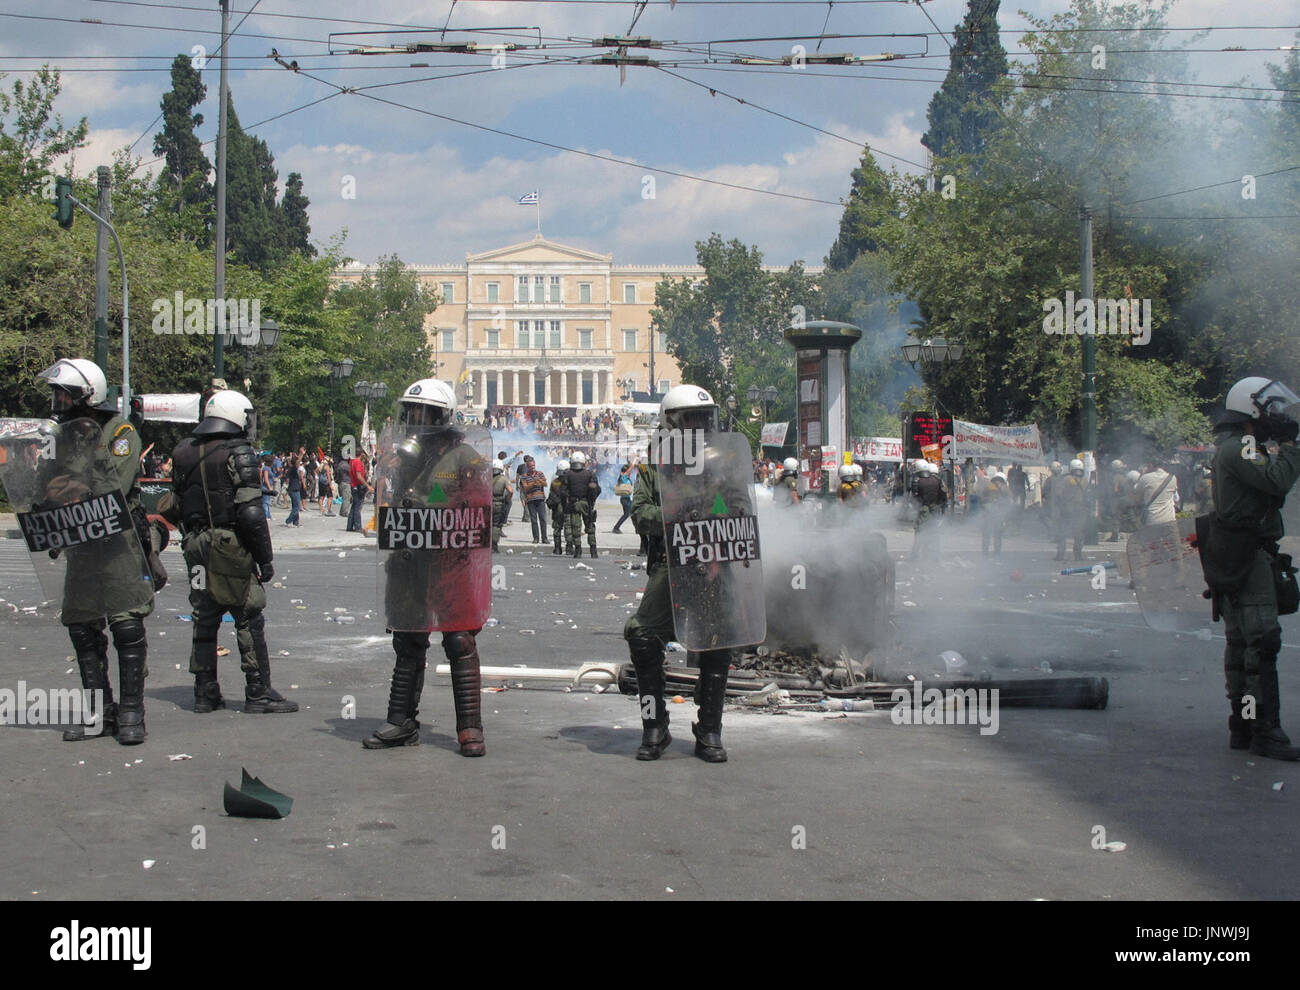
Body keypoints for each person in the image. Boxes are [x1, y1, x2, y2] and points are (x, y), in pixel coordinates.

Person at [31, 359, 155, 744]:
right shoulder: (61, 438)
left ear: (89, 393)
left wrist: (69, 486)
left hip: (117, 544)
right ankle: (100, 712)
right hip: (79, 545)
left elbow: (115, 483)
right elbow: (43, 485)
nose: (58, 400)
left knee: (126, 625)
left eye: (64, 392)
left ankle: (132, 712)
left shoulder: (119, 431)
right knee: (83, 628)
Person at [364, 378, 489, 756]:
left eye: (425, 413)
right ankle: (401, 721)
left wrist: (440, 513)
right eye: (411, 411)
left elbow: (480, 510)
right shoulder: (404, 455)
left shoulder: (465, 457)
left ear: (443, 416)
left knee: (459, 640)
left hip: (450, 560)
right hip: (411, 557)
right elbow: (391, 497)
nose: (417, 419)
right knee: (408, 637)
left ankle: (470, 729)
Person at [623, 384, 742, 763]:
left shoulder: (722, 464)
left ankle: (709, 729)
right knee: (642, 635)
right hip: (672, 563)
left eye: (704, 419)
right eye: (692, 419)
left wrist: (720, 515)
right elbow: (640, 513)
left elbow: (741, 508)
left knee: (719, 641)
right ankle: (654, 725)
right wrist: (672, 518)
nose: (700, 427)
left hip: (713, 562)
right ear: (673, 424)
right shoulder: (656, 465)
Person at [166, 390, 297, 716]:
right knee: (247, 614)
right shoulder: (238, 452)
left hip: (195, 544)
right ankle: (257, 689)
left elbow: (176, 504)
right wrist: (264, 558)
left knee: (204, 616)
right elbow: (251, 514)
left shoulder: (183, 451)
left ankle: (204, 690)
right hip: (230, 544)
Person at [1205, 377, 1300, 761]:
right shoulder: (1240, 448)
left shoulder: (1236, 446)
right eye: (1271, 410)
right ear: (1252, 409)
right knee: (1261, 642)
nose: (1275, 417)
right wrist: (1291, 447)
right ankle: (1265, 731)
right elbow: (1278, 478)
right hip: (1247, 553)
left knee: (1243, 643)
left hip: (1235, 552)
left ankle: (1243, 726)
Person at [563, 450, 601, 558]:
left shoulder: (568, 474)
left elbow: (563, 491)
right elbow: (597, 489)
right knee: (590, 527)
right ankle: (593, 551)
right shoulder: (590, 474)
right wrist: (592, 501)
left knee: (576, 528)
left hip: (574, 504)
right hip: (586, 503)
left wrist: (566, 504)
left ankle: (578, 550)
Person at [1054, 459, 1090, 561]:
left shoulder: (1066, 479)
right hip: (1081, 510)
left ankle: (1060, 554)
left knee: (1062, 532)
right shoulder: (1085, 481)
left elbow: (1059, 493)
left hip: (1067, 510)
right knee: (1079, 534)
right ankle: (1078, 555)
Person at [910, 460, 947, 559]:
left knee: (919, 531)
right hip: (935, 508)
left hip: (923, 508)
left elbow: (915, 498)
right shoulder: (937, 480)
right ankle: (936, 554)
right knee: (934, 531)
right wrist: (941, 506)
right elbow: (943, 495)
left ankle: (915, 555)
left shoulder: (917, 481)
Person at [520, 456, 549, 544]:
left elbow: (545, 483)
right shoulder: (524, 476)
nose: (533, 467)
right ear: (527, 466)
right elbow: (525, 487)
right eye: (531, 466)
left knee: (543, 519)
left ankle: (544, 538)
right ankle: (536, 538)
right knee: (534, 520)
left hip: (540, 499)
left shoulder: (540, 473)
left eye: (533, 465)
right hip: (531, 500)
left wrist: (538, 481)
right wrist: (534, 483)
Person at [981, 472, 1011, 555]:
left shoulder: (1001, 488)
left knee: (993, 535)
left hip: (995, 515)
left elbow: (1008, 501)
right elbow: (983, 500)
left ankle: (990, 553)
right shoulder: (990, 487)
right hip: (992, 515)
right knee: (992, 535)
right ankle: (991, 553)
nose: (997, 482)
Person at [547, 458, 569, 555]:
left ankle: (557, 548)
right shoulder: (569, 482)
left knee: (557, 528)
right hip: (566, 507)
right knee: (568, 528)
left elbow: (551, 494)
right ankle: (569, 548)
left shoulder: (554, 481)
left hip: (556, 508)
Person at [491, 462, 513, 552]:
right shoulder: (503, 479)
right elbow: (510, 491)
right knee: (496, 525)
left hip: (487, 504)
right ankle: (494, 546)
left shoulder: (485, 478)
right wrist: (507, 500)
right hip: (498, 504)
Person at [347, 449, 369, 532]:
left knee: (354, 506)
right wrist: (367, 485)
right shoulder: (358, 462)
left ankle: (350, 525)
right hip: (358, 486)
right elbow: (359, 476)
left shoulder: (352, 461)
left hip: (353, 485)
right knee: (358, 507)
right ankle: (358, 526)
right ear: (362, 454)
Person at [612, 463, 635, 533]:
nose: (630, 473)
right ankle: (616, 527)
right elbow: (630, 469)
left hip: (627, 499)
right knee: (628, 514)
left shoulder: (625, 478)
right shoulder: (623, 477)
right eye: (628, 471)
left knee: (628, 514)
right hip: (625, 500)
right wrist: (635, 459)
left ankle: (616, 527)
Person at [284, 454, 303, 526]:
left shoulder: (291, 469)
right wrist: (301, 454)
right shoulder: (293, 469)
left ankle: (296, 522)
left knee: (295, 506)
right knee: (297, 507)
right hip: (294, 489)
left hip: (294, 489)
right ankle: (288, 520)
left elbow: (296, 463)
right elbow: (297, 463)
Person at [335, 450, 352, 522]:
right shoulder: (345, 465)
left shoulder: (340, 464)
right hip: (346, 482)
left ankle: (343, 510)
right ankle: (344, 512)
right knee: (346, 498)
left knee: (346, 497)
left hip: (341, 482)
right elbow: (351, 472)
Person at [259, 454, 276, 520]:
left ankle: (269, 515)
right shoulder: (266, 468)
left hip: (269, 485)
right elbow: (265, 479)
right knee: (265, 502)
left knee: (268, 501)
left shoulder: (269, 468)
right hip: (266, 487)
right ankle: (265, 515)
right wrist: (269, 487)